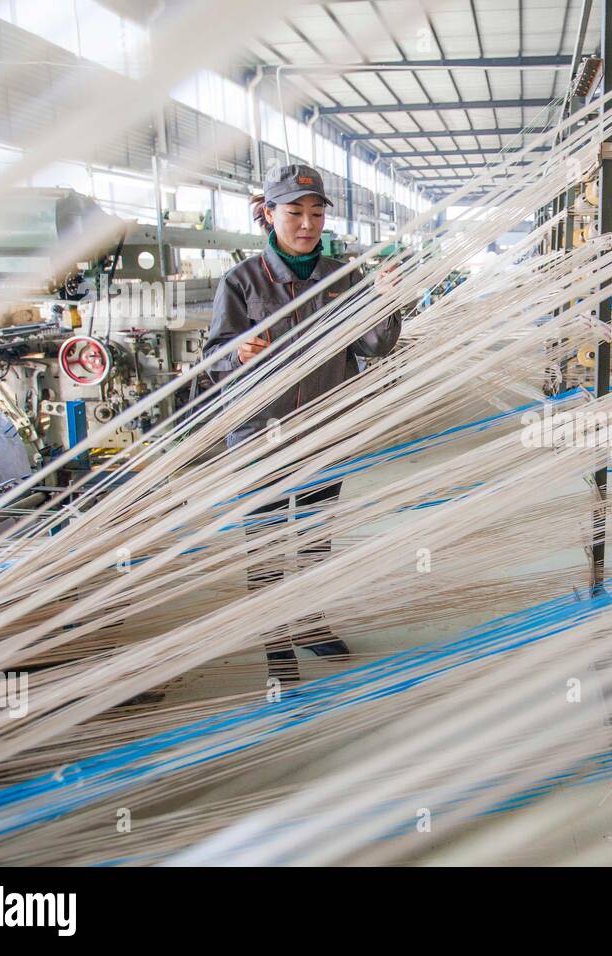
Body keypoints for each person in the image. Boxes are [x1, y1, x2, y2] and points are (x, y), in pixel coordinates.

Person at [204, 164, 401, 682]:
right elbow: (211, 358)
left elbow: (377, 346)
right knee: (267, 541)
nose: (307, 224)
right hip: (260, 436)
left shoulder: (342, 278)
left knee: (314, 537)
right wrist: (236, 353)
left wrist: (385, 301)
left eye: (315, 214)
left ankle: (309, 623)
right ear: (269, 215)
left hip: (322, 430)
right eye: (295, 213)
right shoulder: (242, 281)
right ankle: (276, 643)